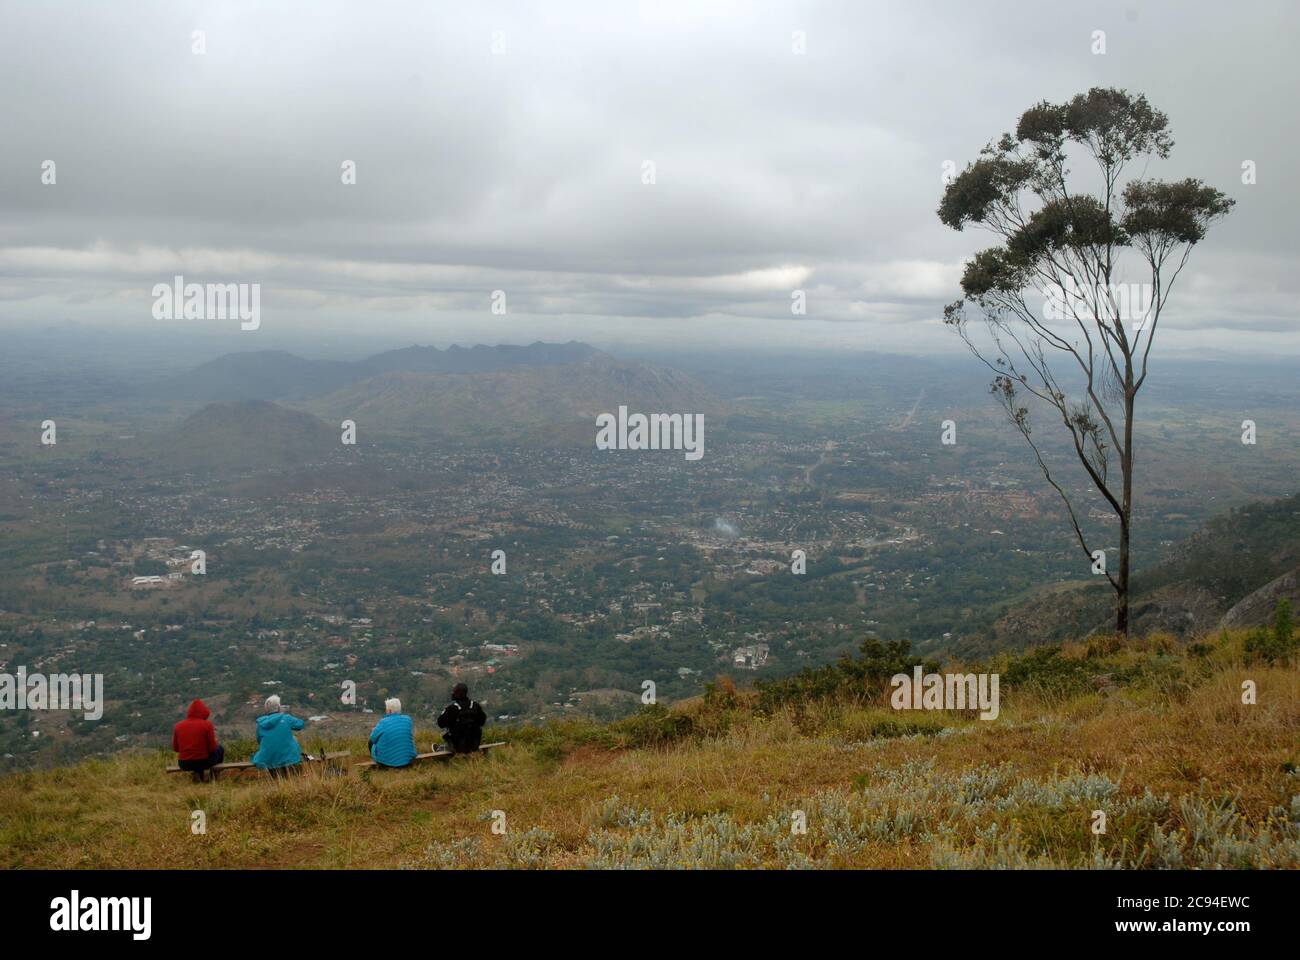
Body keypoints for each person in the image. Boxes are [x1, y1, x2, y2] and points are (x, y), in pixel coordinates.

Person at [172, 698, 224, 782]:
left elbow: (176, 749)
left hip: (184, 764)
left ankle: (199, 776)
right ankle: (214, 776)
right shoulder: (207, 725)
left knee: (197, 755)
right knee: (220, 749)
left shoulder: (178, 726)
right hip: (203, 762)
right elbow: (212, 749)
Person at [251, 694, 305, 775]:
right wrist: (287, 716)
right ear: (279, 708)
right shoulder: (286, 718)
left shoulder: (260, 723)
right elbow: (300, 724)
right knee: (293, 738)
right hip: (289, 759)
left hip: (269, 759)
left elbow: (259, 740)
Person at [437, 682, 487, 754]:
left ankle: (445, 748)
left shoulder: (452, 708)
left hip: (458, 745)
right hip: (475, 744)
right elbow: (482, 721)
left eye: (453, 691)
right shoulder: (475, 706)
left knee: (448, 734)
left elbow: (440, 723)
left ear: (457, 693)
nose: (452, 693)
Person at [368, 697, 417, 768]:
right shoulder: (408, 720)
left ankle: (378, 762)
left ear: (390, 711)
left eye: (386, 709)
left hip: (387, 763)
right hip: (407, 760)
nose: (385, 710)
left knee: (371, 742)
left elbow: (372, 738)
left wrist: (374, 730)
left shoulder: (383, 722)